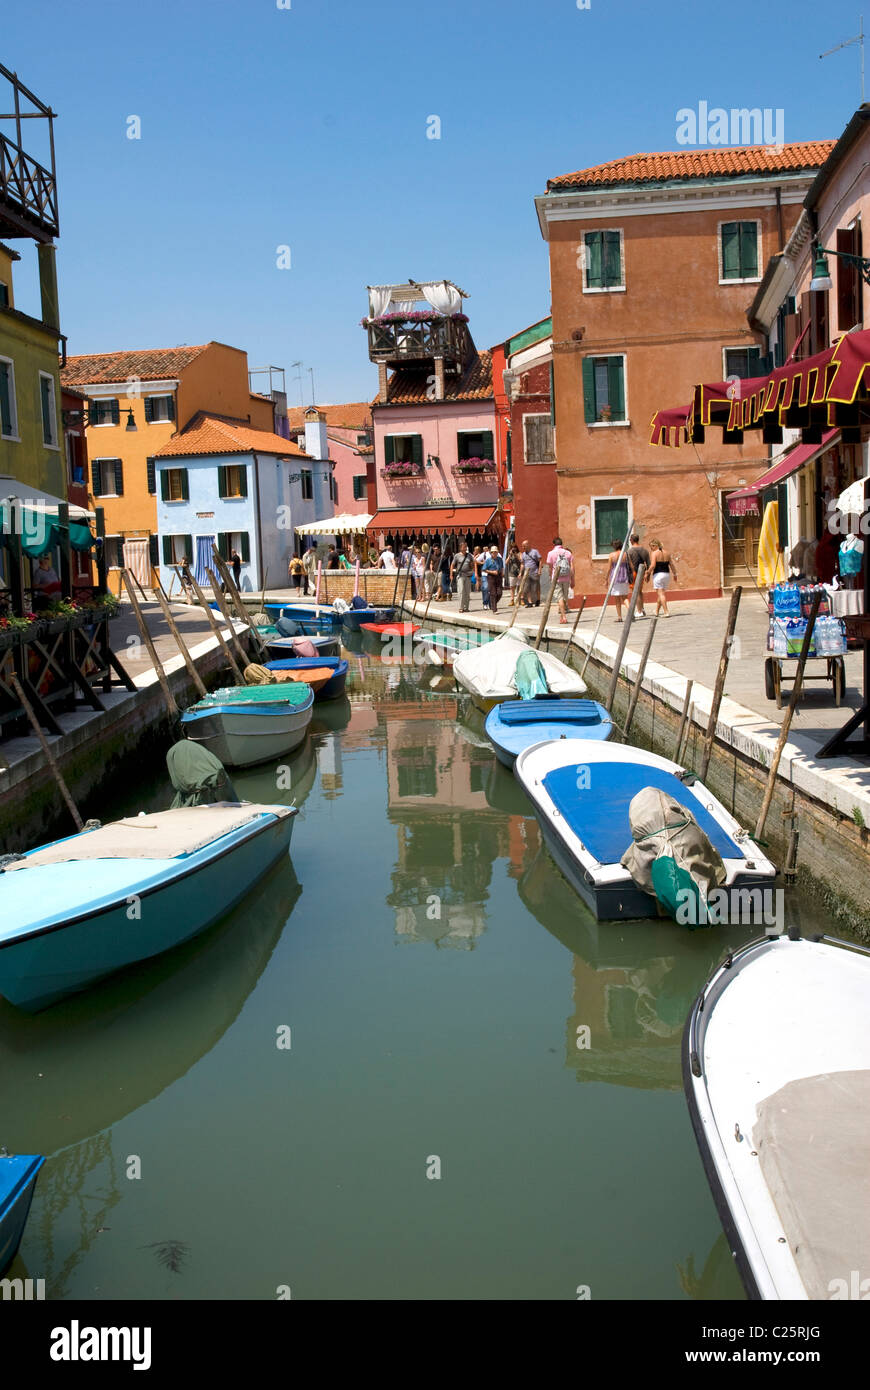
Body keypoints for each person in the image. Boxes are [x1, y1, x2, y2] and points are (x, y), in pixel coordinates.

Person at [545, 536, 574, 624]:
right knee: (565, 597)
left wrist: (550, 576)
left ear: (553, 544)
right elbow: (572, 567)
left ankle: (564, 617)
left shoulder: (551, 553)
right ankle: (562, 616)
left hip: (556, 578)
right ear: (561, 543)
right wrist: (573, 579)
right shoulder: (568, 553)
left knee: (560, 598)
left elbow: (550, 566)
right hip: (567, 577)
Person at [648, 538, 678, 617]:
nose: (651, 548)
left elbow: (653, 565)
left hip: (658, 574)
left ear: (655, 546)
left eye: (651, 547)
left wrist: (647, 572)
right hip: (666, 574)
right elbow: (671, 564)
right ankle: (657, 611)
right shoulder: (667, 553)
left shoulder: (654, 553)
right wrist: (675, 574)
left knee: (661, 594)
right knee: (662, 594)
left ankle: (666, 612)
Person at [626, 533, 651, 618]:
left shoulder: (629, 551)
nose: (630, 540)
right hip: (642, 573)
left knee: (636, 593)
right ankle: (642, 609)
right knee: (639, 591)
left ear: (632, 540)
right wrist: (648, 575)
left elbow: (629, 564)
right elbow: (648, 563)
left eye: (630, 539)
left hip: (634, 573)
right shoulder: (644, 550)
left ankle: (639, 611)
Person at [607, 537, 631, 620]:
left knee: (617, 598)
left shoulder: (611, 555)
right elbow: (630, 566)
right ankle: (630, 612)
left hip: (615, 578)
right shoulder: (625, 554)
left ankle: (619, 617)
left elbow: (609, 568)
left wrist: (606, 579)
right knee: (625, 597)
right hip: (624, 577)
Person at [451, 542, 476, 612]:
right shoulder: (457, 556)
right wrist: (451, 575)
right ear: (460, 548)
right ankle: (461, 607)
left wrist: (474, 571)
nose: (465, 548)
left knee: (467, 592)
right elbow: (452, 565)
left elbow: (473, 563)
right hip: (460, 575)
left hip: (468, 575)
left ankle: (466, 607)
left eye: (465, 546)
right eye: (463, 547)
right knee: (461, 591)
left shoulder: (470, 556)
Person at [482, 545, 504, 615]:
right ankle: (494, 609)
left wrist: (502, 573)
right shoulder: (488, 560)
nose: (494, 553)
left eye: (495, 552)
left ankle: (492, 603)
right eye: (493, 552)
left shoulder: (500, 559)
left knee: (499, 593)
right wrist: (492, 572)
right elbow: (484, 569)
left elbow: (502, 567)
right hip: (491, 577)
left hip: (499, 576)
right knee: (493, 593)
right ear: (491, 553)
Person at [520, 540, 541, 606]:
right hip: (527, 573)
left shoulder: (535, 551)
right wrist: (520, 573)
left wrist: (539, 570)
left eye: (524, 546)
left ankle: (538, 600)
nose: (523, 547)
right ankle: (530, 602)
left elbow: (540, 561)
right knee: (528, 587)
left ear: (528, 545)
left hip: (535, 572)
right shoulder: (523, 554)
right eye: (522, 546)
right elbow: (522, 564)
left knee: (536, 587)